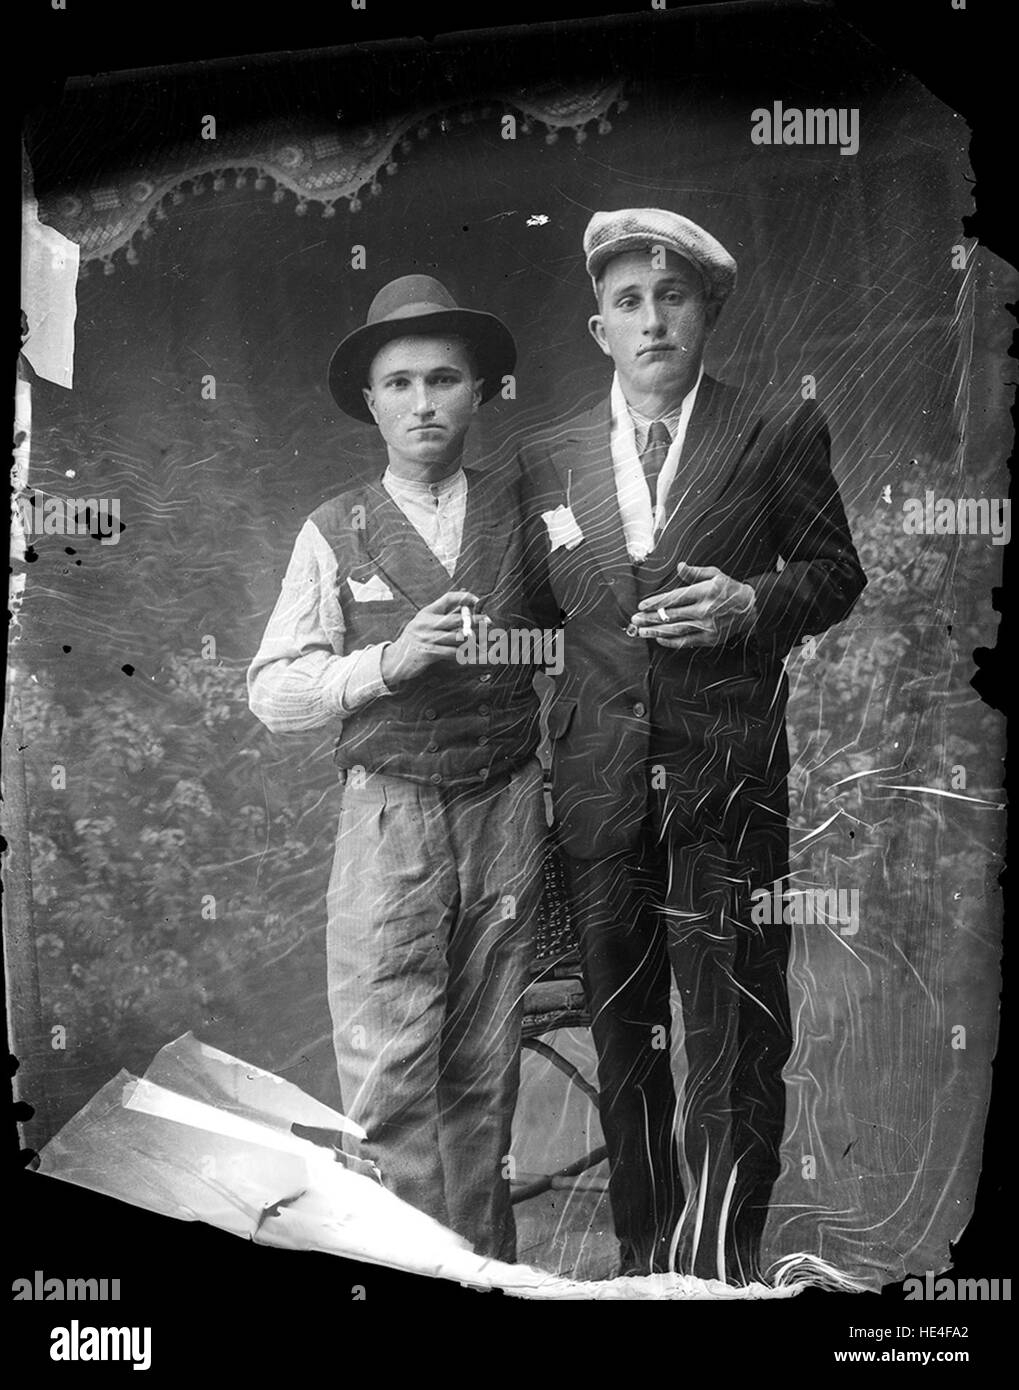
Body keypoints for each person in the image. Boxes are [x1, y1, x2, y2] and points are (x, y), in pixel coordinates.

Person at [517, 208, 867, 1282]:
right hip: (598, 800)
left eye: (671, 298)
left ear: (704, 309)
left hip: (727, 790)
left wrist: (747, 603)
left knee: (732, 1039)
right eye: (628, 302)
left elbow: (833, 575)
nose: (652, 318)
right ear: (597, 327)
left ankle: (720, 1270)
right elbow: (532, 618)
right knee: (626, 1047)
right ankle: (641, 1269)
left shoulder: (772, 433)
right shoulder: (546, 460)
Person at [247, 274, 550, 1261]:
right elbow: (271, 691)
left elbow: (589, 631)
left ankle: (488, 1277)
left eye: (445, 379)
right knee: (388, 1081)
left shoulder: (526, 508)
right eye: (399, 383)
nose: (423, 403)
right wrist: (385, 662)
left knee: (483, 1074)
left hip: (505, 805)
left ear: (479, 391)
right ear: (370, 400)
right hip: (389, 818)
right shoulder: (337, 527)